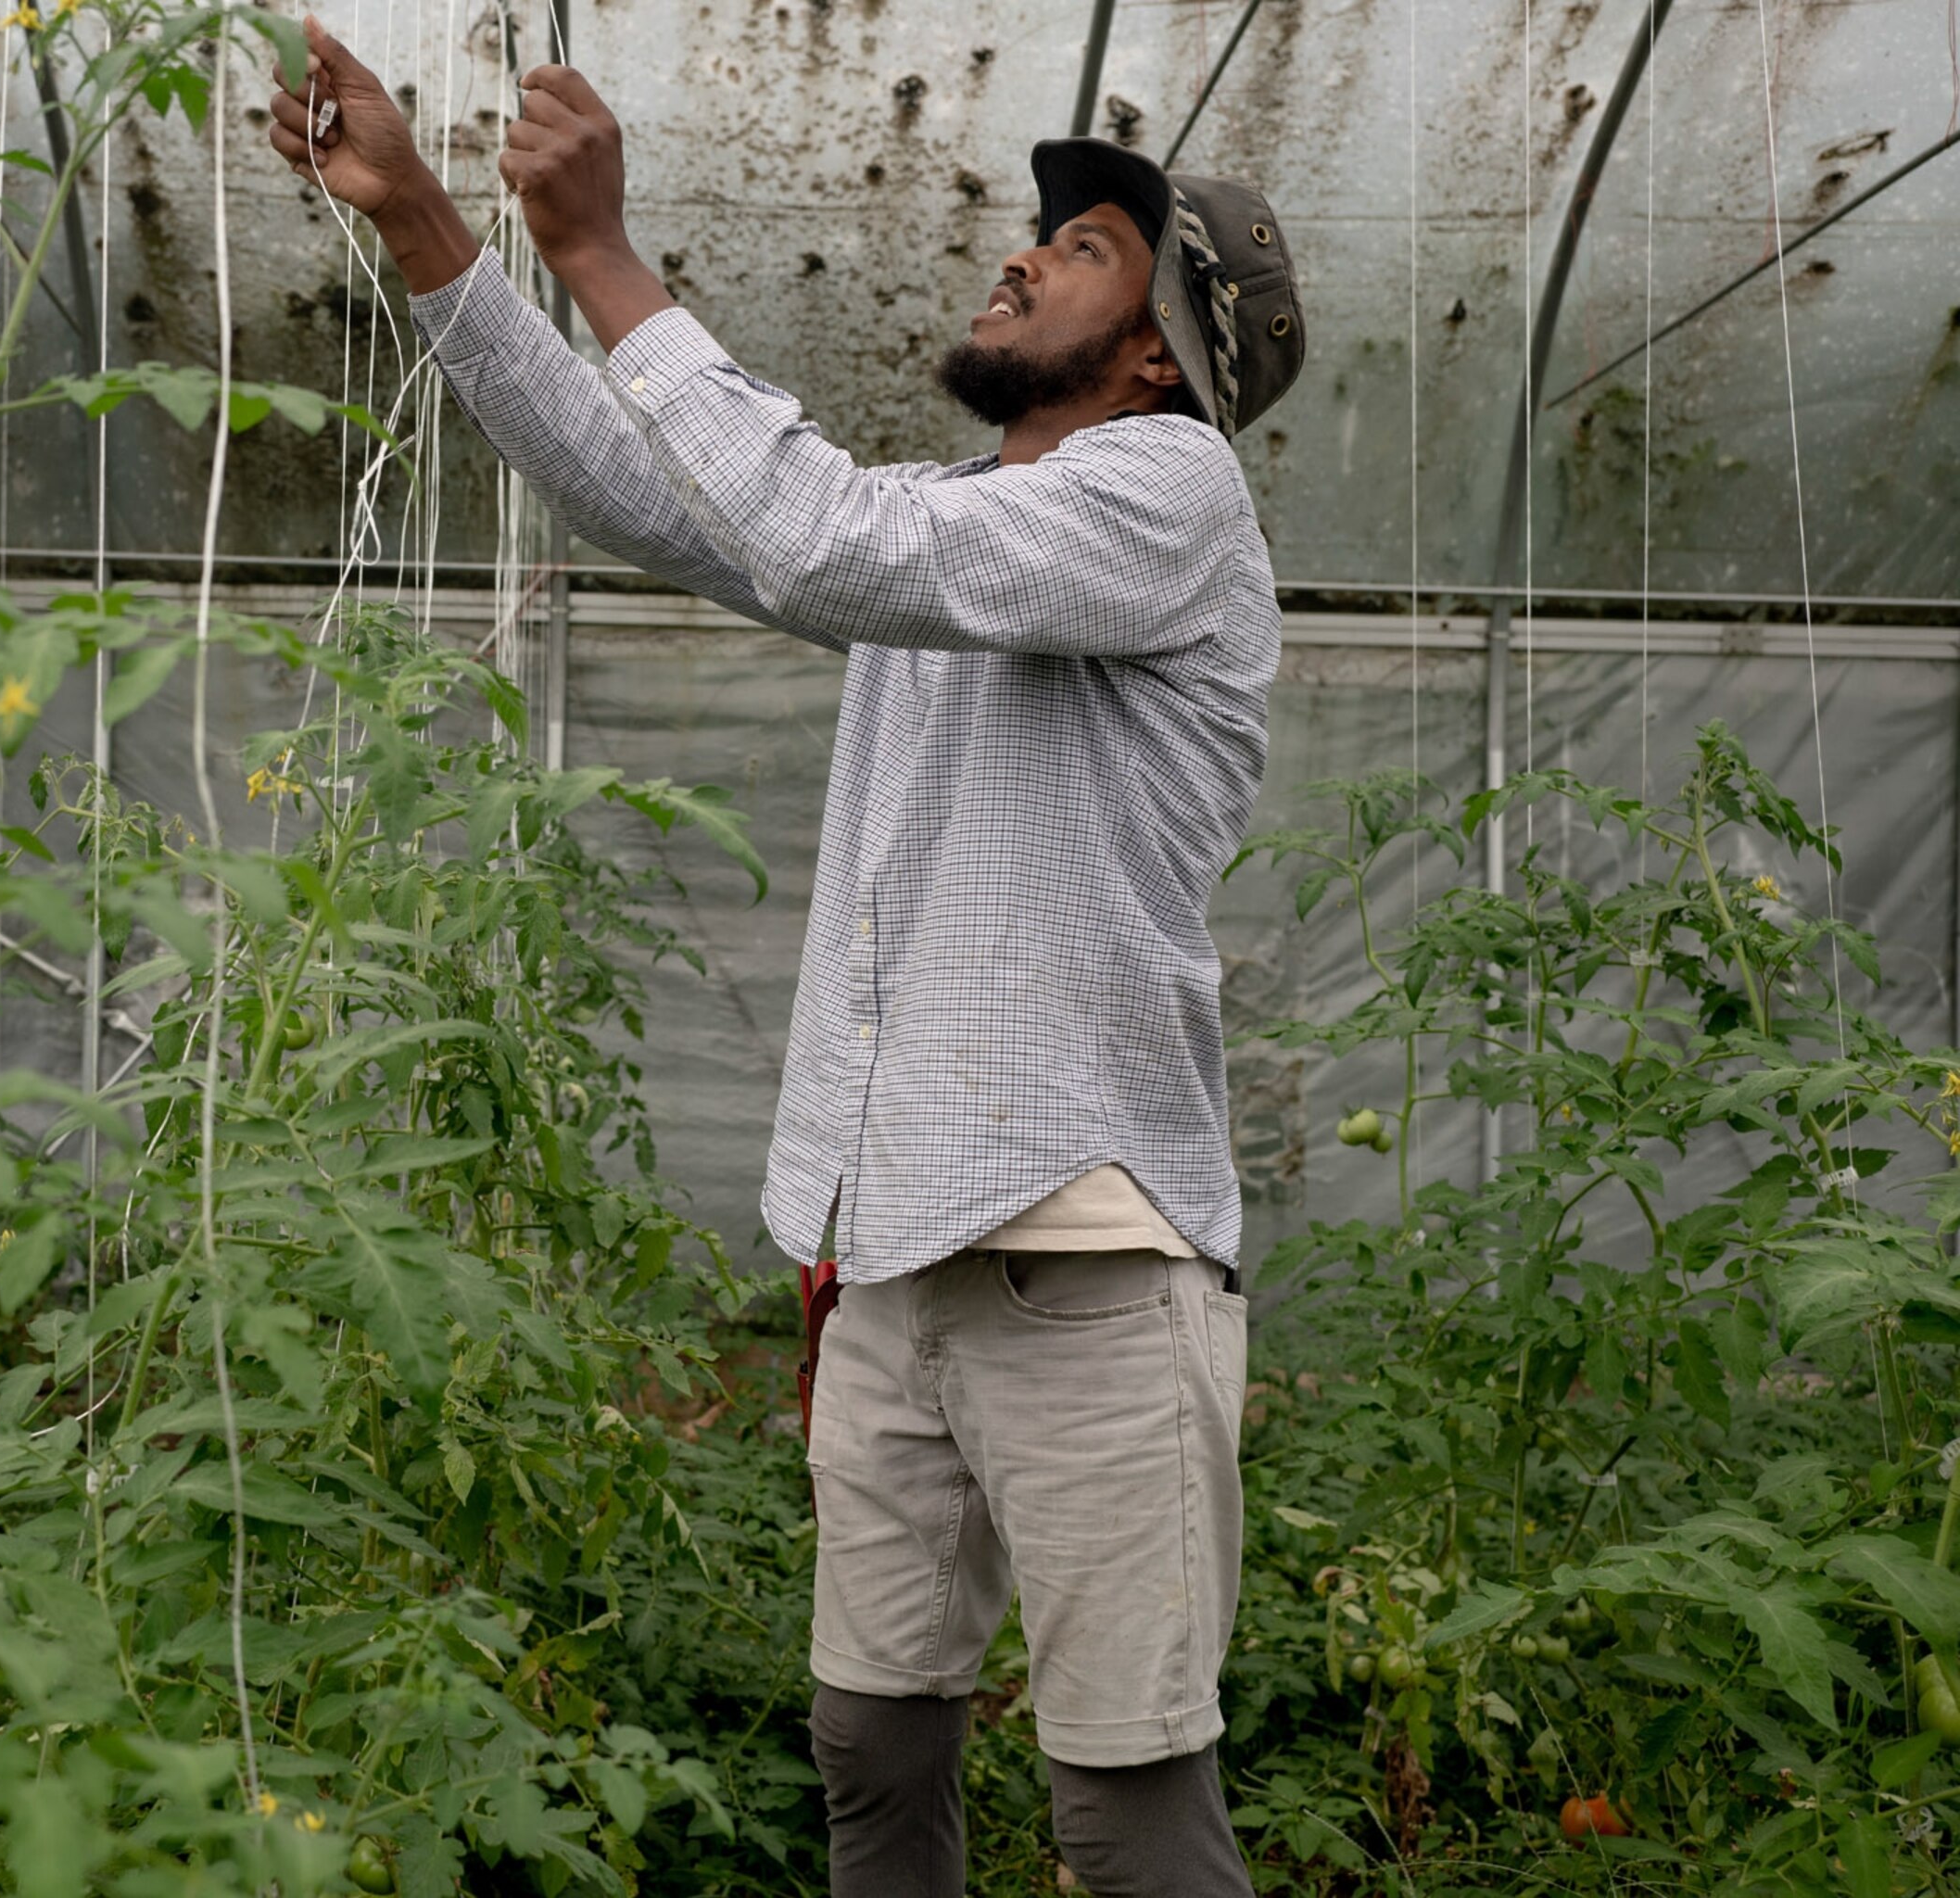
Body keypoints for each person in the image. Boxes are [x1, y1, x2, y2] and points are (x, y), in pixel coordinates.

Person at [264, 20, 1306, 1895]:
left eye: (1081, 247)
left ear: (1163, 350)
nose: (1020, 251)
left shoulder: (1174, 503)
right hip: (898, 1249)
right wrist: (424, 220)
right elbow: (656, 495)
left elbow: (813, 532)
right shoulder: (965, 539)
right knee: (870, 1748)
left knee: (1128, 1816)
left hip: (1089, 1262)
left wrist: (602, 254)